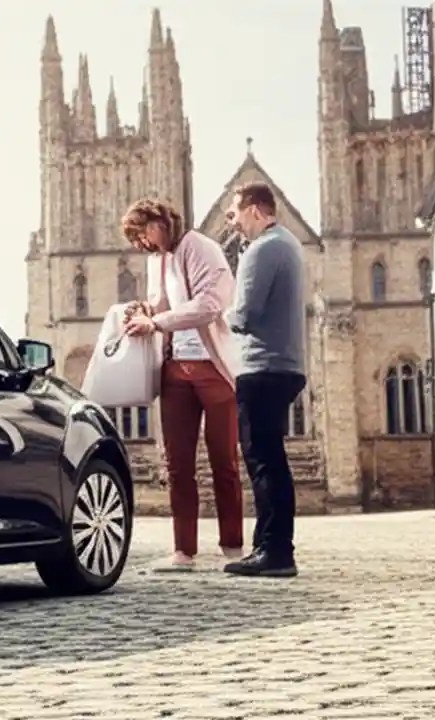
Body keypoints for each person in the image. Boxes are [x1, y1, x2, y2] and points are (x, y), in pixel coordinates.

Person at [120, 198, 244, 572]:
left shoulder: (202, 248)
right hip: (175, 371)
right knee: (177, 465)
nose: (142, 244)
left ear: (160, 221)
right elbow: (161, 305)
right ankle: (183, 551)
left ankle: (234, 548)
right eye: (136, 240)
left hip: (212, 369)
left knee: (224, 461)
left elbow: (210, 305)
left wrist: (156, 323)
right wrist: (143, 311)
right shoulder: (156, 258)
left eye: (143, 234)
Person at [220, 182, 307, 578]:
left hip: (262, 367)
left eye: (235, 214)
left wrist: (222, 314)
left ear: (255, 210)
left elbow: (245, 316)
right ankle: (271, 547)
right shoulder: (288, 243)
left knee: (263, 462)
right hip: (286, 366)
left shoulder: (262, 249)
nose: (233, 223)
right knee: (272, 460)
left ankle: (274, 552)